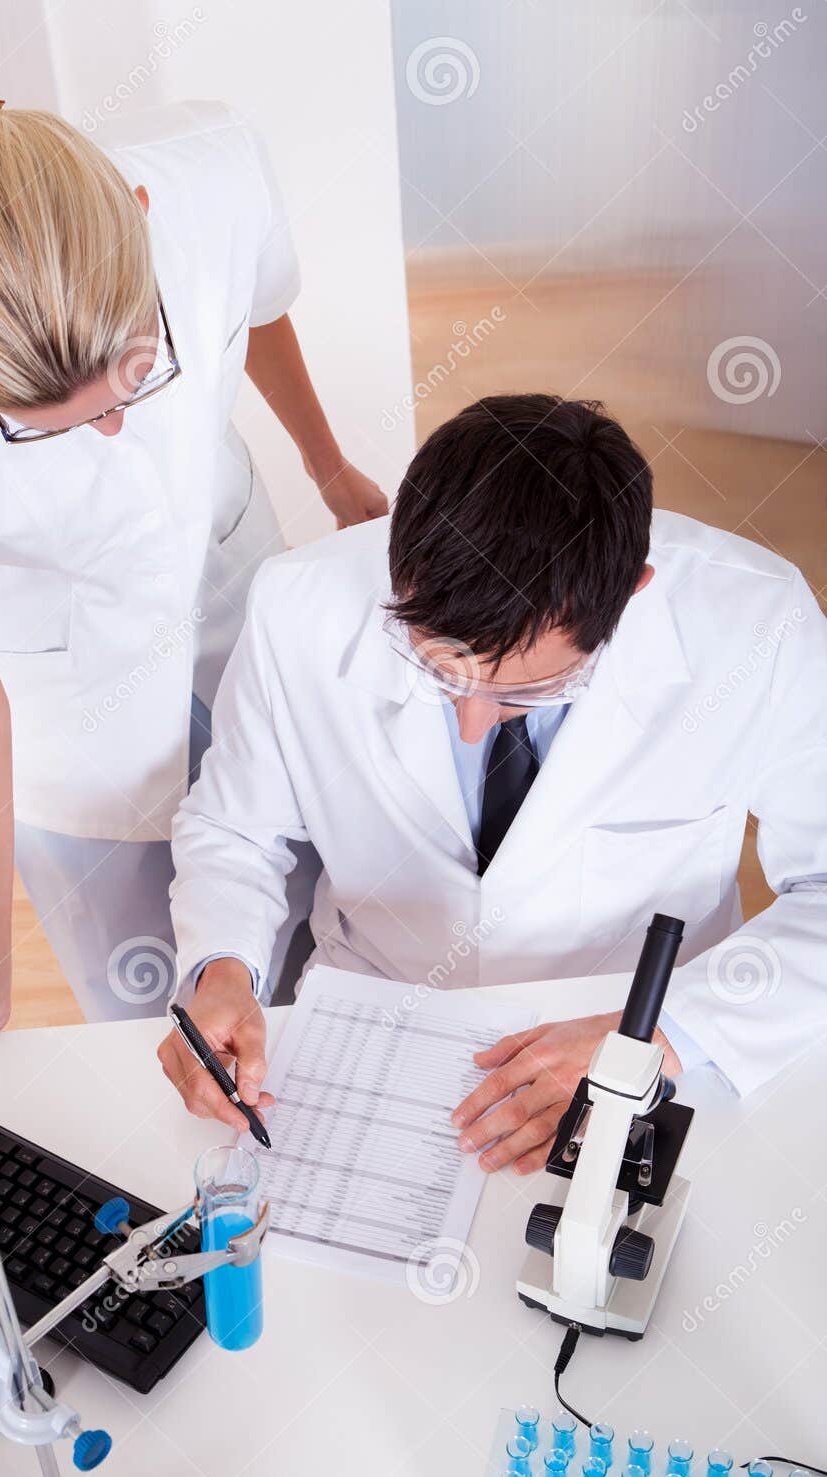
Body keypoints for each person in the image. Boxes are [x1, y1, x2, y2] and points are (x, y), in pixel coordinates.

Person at [0, 88, 384, 1049]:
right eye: (50, 428)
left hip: (230, 563)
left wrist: (329, 466)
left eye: (135, 376)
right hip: (60, 668)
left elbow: (260, 304)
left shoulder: (214, 164)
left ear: (146, 226)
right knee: (152, 1007)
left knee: (331, 919)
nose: (113, 430)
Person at [157, 394, 827, 1172]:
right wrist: (221, 969)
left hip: (641, 1047)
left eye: (528, 694)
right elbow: (236, 829)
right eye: (438, 670)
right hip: (377, 1025)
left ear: (630, 595)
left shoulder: (757, 624)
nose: (475, 725)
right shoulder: (296, 603)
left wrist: (666, 1037)